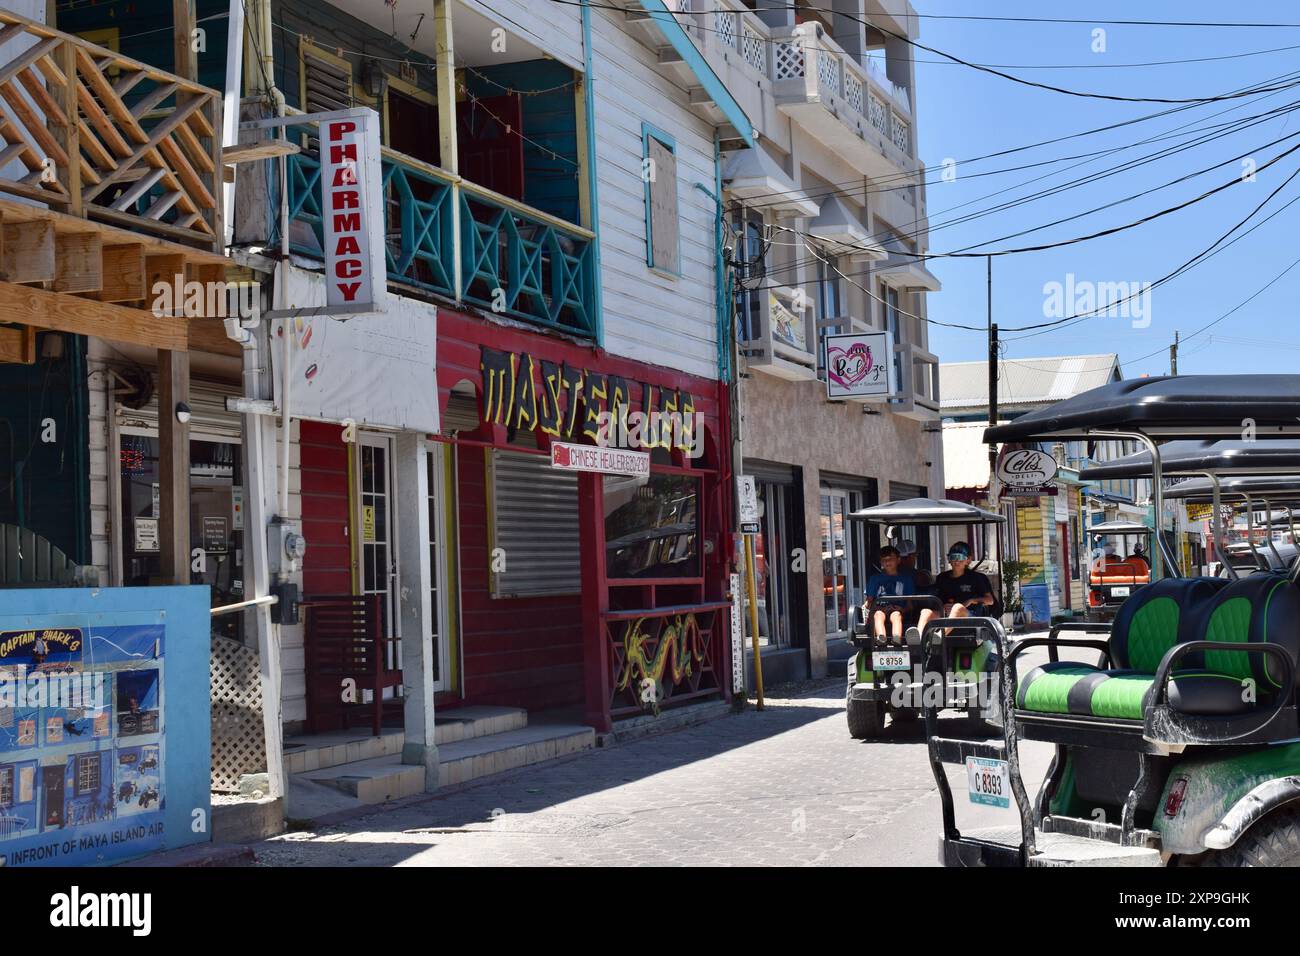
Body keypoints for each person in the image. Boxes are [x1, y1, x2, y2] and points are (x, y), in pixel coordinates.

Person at [916, 542, 996, 640]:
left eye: (960, 557)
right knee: (925, 612)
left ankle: (940, 637)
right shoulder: (942, 577)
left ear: (968, 560)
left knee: (957, 607)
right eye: (953, 557)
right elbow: (938, 598)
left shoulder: (977, 578)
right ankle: (917, 639)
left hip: (970, 615)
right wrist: (942, 606)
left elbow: (990, 600)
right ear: (949, 559)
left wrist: (970, 601)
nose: (956, 561)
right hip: (946, 613)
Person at [863, 546, 918, 646]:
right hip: (879, 609)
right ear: (881, 562)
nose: (887, 562)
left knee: (896, 615)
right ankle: (881, 638)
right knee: (878, 615)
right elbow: (868, 602)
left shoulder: (907, 579)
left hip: (899, 611)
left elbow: (910, 605)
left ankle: (897, 638)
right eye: (884, 560)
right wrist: (877, 608)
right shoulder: (875, 579)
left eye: (890, 559)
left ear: (898, 560)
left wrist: (902, 609)